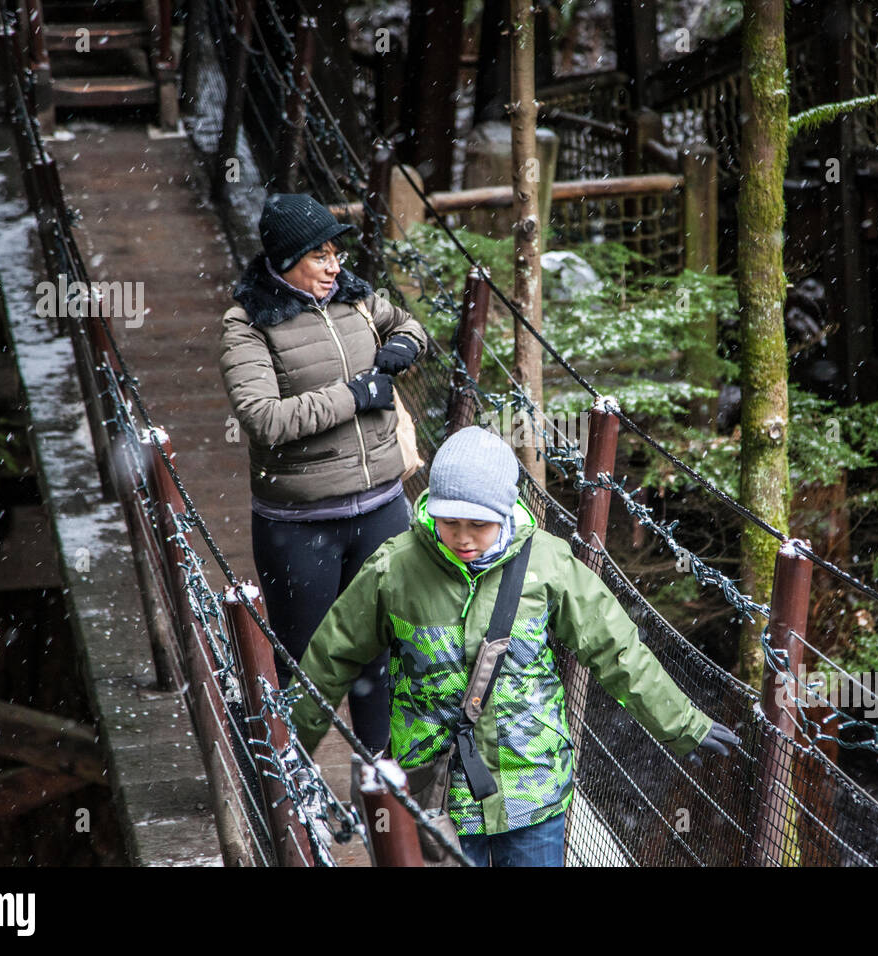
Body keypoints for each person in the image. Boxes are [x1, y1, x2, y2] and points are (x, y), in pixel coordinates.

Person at [289, 426, 740, 867]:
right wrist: (290, 746)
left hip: (531, 789)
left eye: (478, 525)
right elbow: (331, 658)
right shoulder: (395, 569)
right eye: (450, 522)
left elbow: (616, 649)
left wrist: (681, 724)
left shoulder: (548, 564)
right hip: (435, 793)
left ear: (505, 512)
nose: (463, 537)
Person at [218, 192, 427, 755]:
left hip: (382, 507)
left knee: (382, 658)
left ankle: (382, 794)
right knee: (303, 665)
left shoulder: (354, 298)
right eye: (320, 256)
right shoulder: (247, 324)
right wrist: (356, 394)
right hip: (301, 523)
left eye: (336, 253)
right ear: (286, 260)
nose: (335, 266)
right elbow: (262, 419)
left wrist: (402, 348)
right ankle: (289, 788)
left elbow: (409, 325)